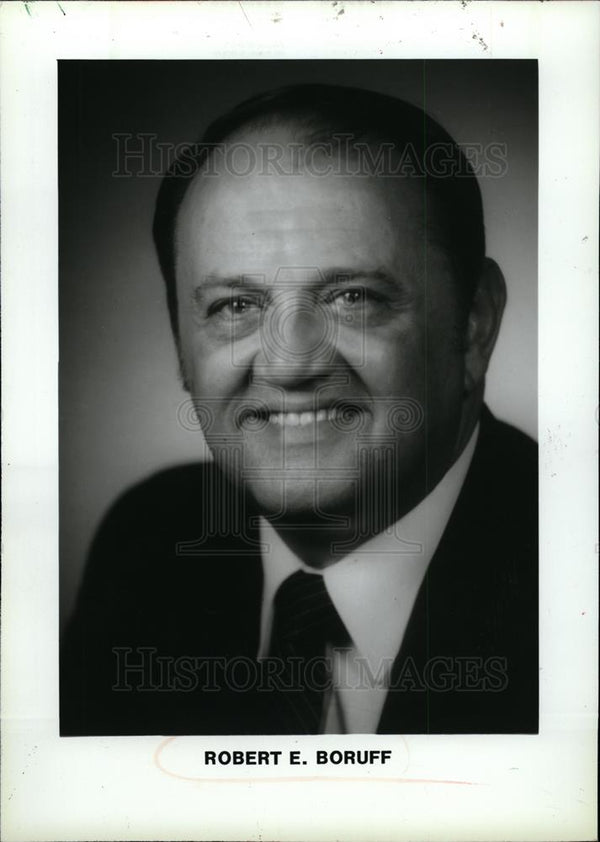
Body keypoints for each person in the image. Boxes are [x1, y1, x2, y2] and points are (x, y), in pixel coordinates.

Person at [60, 84, 538, 736]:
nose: (289, 365)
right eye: (235, 306)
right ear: (180, 344)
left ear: (475, 324)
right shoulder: (147, 546)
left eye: (352, 297)